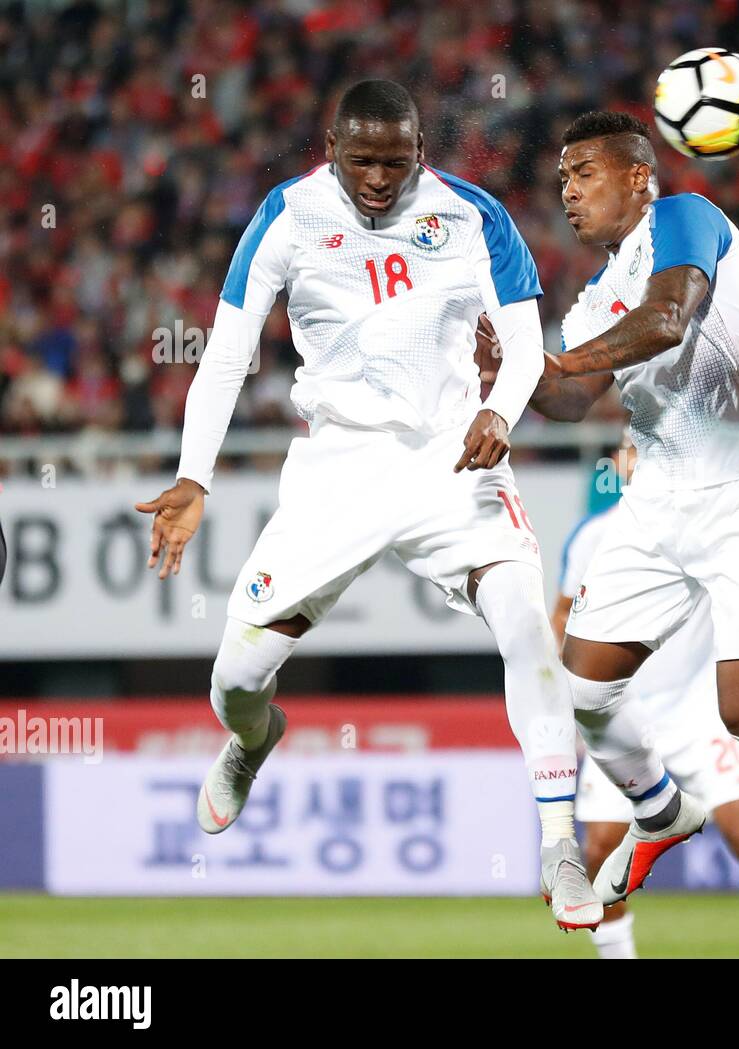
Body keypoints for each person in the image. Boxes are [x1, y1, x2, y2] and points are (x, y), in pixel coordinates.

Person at [134, 79, 601, 932]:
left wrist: (499, 409)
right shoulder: (286, 214)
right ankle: (252, 740)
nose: (380, 178)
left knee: (527, 623)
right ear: (332, 147)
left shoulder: (473, 217)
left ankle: (561, 840)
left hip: (450, 459)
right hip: (334, 472)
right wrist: (194, 475)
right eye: (363, 160)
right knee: (234, 681)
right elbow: (228, 351)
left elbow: (530, 343)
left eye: (396, 160)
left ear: (421, 150)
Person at [524, 110, 739, 902]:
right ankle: (659, 809)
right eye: (562, 179)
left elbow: (666, 319)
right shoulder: (589, 303)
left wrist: (556, 361)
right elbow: (568, 399)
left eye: (584, 172)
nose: (570, 192)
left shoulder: (687, 217)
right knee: (583, 690)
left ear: (636, 176)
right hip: (658, 498)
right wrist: (510, 368)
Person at [554, 437, 739, 958]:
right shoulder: (594, 538)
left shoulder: (706, 525)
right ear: (619, 464)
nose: (635, 457)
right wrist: (569, 693)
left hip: (699, 710)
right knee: (601, 848)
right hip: (624, 710)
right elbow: (562, 615)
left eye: (643, 447)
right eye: (626, 449)